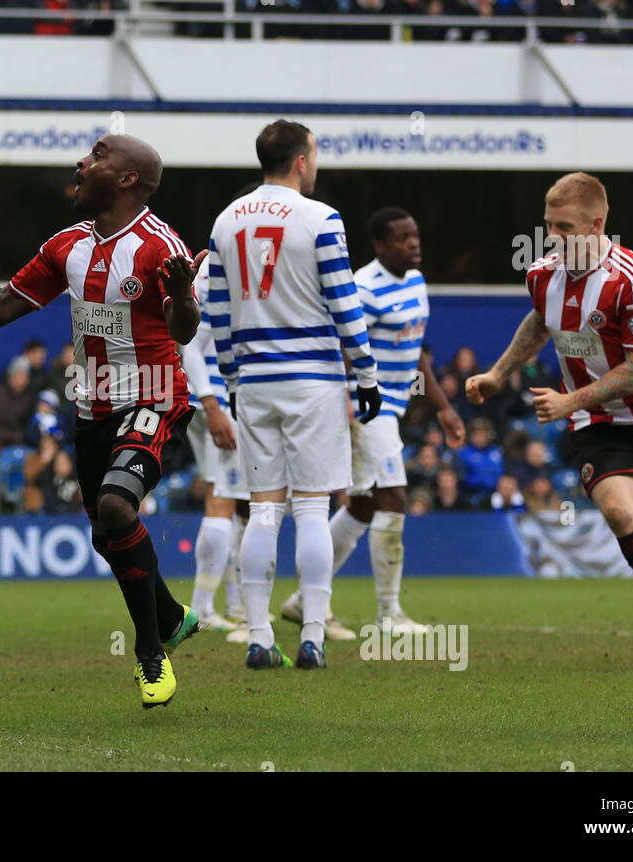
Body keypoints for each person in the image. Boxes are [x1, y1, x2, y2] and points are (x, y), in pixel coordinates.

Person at [0, 133, 203, 709]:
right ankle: (172, 615)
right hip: (91, 409)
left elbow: (183, 329)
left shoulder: (160, 247)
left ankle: (150, 654)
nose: (82, 163)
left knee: (115, 509)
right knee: (105, 537)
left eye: (98, 155)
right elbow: (3, 308)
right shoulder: (67, 246)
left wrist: (183, 296)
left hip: (154, 398)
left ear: (129, 179)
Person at [465, 171, 633, 664]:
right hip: (596, 425)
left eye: (565, 227)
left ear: (597, 225)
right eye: (549, 225)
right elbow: (539, 322)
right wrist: (497, 373)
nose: (553, 236)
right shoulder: (541, 274)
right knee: (618, 513)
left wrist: (570, 401)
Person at [205, 119, 380, 671]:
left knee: (262, 512)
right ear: (302, 160)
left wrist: (232, 381)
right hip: (314, 380)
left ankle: (258, 637)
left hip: (255, 379)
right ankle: (312, 637)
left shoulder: (226, 220)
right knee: (311, 509)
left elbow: (217, 313)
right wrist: (366, 374)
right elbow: (344, 304)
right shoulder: (322, 218)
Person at [276, 206, 465, 640]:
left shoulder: (416, 283)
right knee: (393, 496)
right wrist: (342, 398)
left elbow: (418, 351)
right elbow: (340, 346)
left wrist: (443, 408)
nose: (412, 243)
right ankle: (389, 614)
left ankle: (306, 600)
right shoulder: (363, 287)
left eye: (414, 234)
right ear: (380, 245)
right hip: (366, 407)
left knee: (362, 506)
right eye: (401, 238)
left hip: (394, 406)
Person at [182, 250, 250, 633]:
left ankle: (235, 604)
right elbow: (192, 340)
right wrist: (212, 402)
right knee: (224, 499)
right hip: (218, 402)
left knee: (230, 497)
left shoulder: (213, 265)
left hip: (200, 396)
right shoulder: (230, 266)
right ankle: (204, 608)